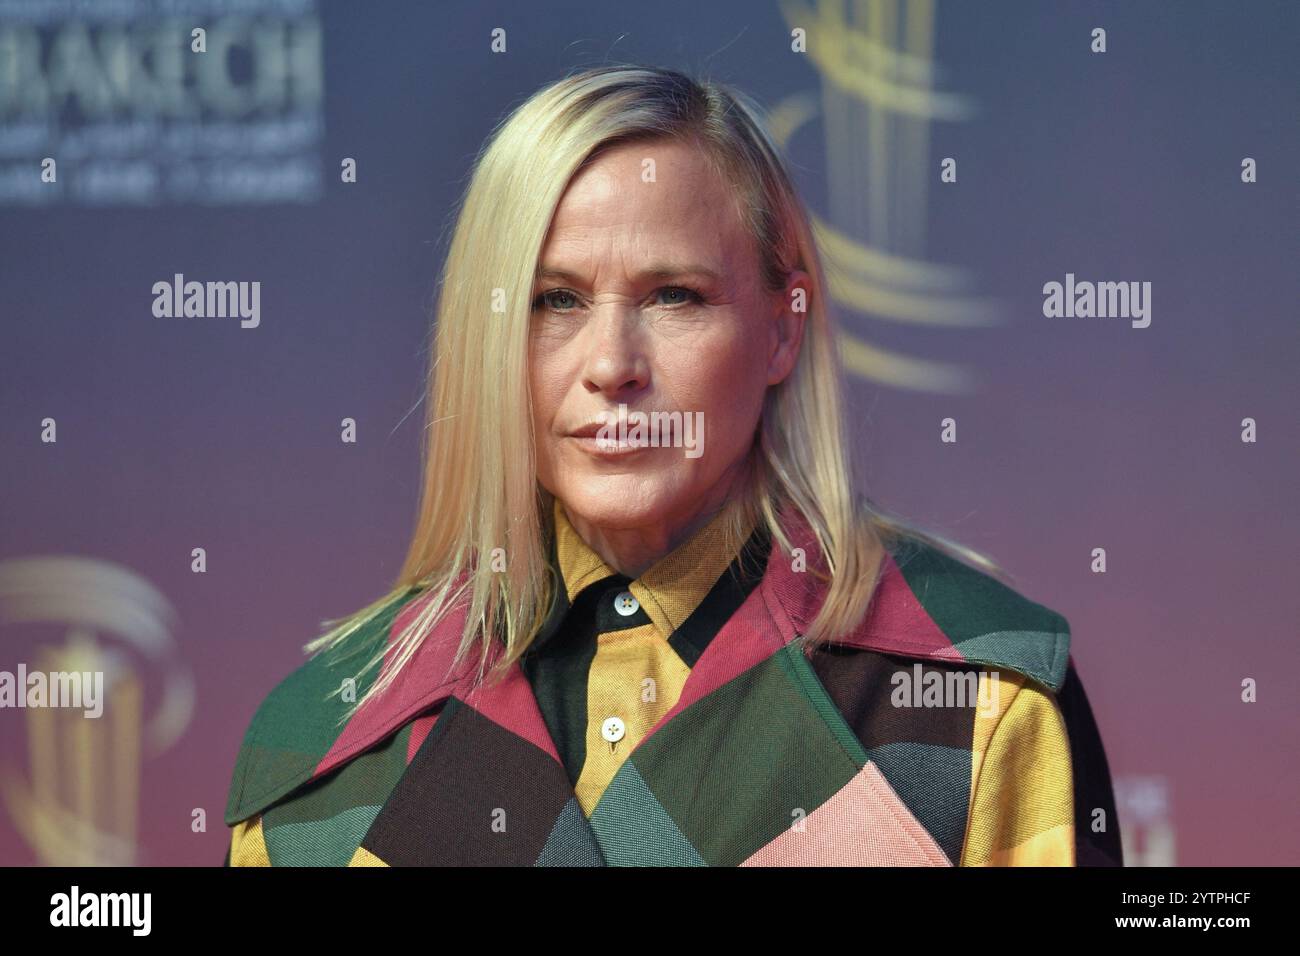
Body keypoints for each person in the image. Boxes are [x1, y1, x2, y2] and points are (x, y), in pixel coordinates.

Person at [223, 64, 1121, 866]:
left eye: (674, 296)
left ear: (781, 328)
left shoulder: (979, 698)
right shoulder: (318, 750)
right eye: (555, 300)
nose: (612, 364)